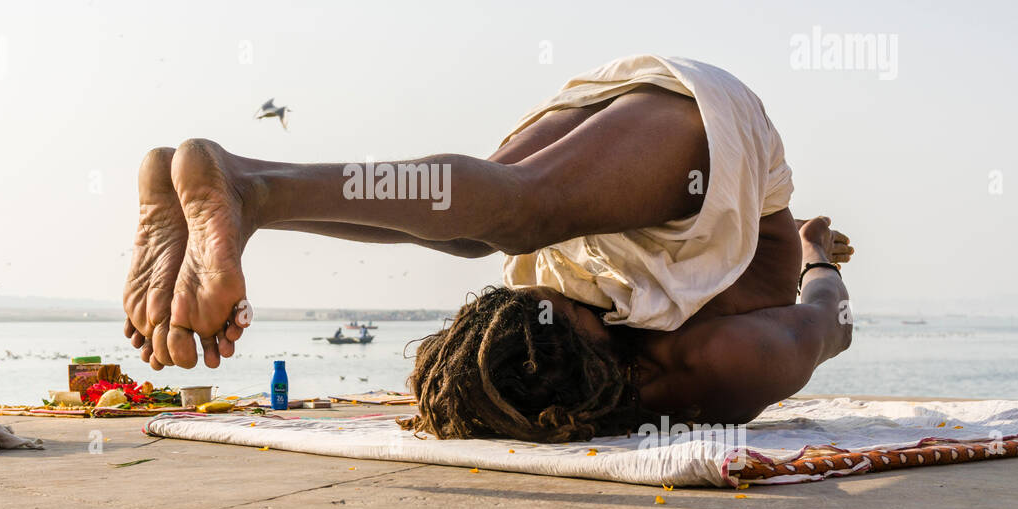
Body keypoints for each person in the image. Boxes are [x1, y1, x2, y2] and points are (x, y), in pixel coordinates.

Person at [122, 55, 854, 441]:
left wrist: (814, 257)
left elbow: (825, 327)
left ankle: (252, 192)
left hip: (673, 151)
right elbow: (830, 320)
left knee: (504, 218)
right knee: (509, 217)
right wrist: (817, 253)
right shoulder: (708, 367)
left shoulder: (705, 362)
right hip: (693, 140)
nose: (547, 294)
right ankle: (254, 190)